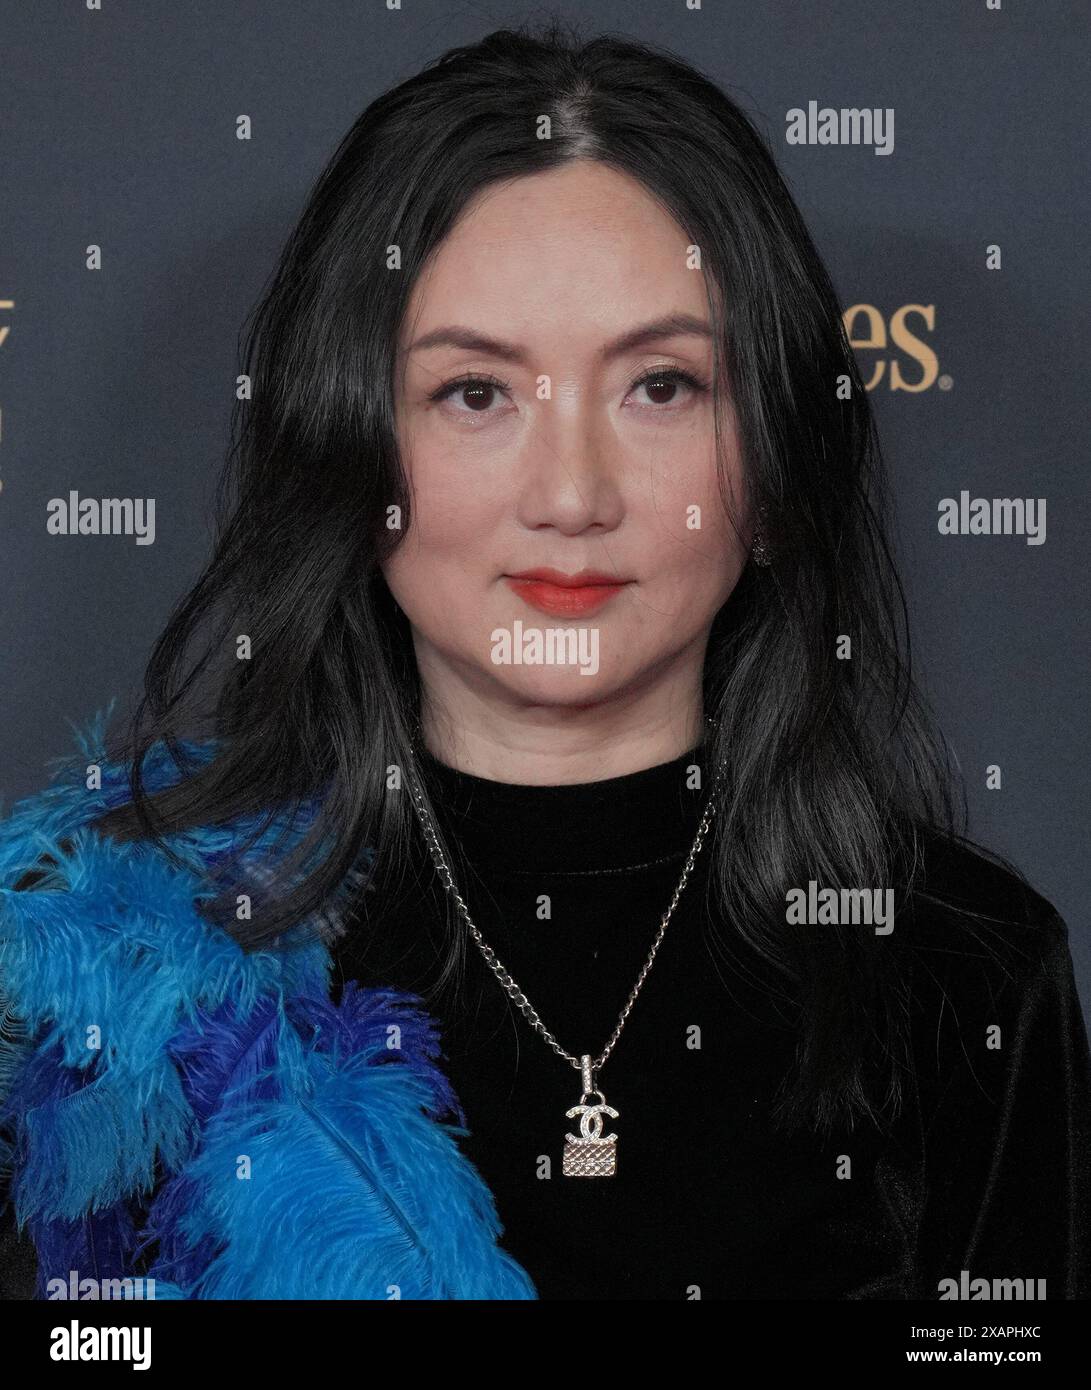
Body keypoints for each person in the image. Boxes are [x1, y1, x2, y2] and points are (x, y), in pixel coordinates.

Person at [1, 19, 1088, 1301]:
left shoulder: (960, 969)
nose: (571, 494)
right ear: (351, 444)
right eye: (475, 393)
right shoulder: (105, 962)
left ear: (776, 455)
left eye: (661, 386)